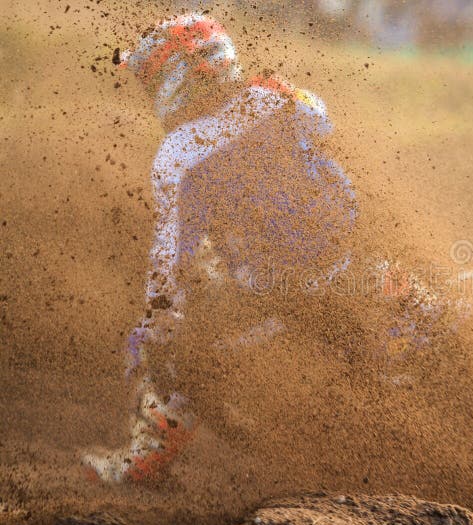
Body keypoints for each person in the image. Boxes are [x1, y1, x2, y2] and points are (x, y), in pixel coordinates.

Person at [82, 12, 357, 483]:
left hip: (280, 293)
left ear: (174, 82)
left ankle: (151, 447)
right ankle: (415, 304)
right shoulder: (278, 95)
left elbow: (168, 275)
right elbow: (324, 132)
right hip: (349, 252)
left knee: (161, 344)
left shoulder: (180, 154)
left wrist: (153, 332)